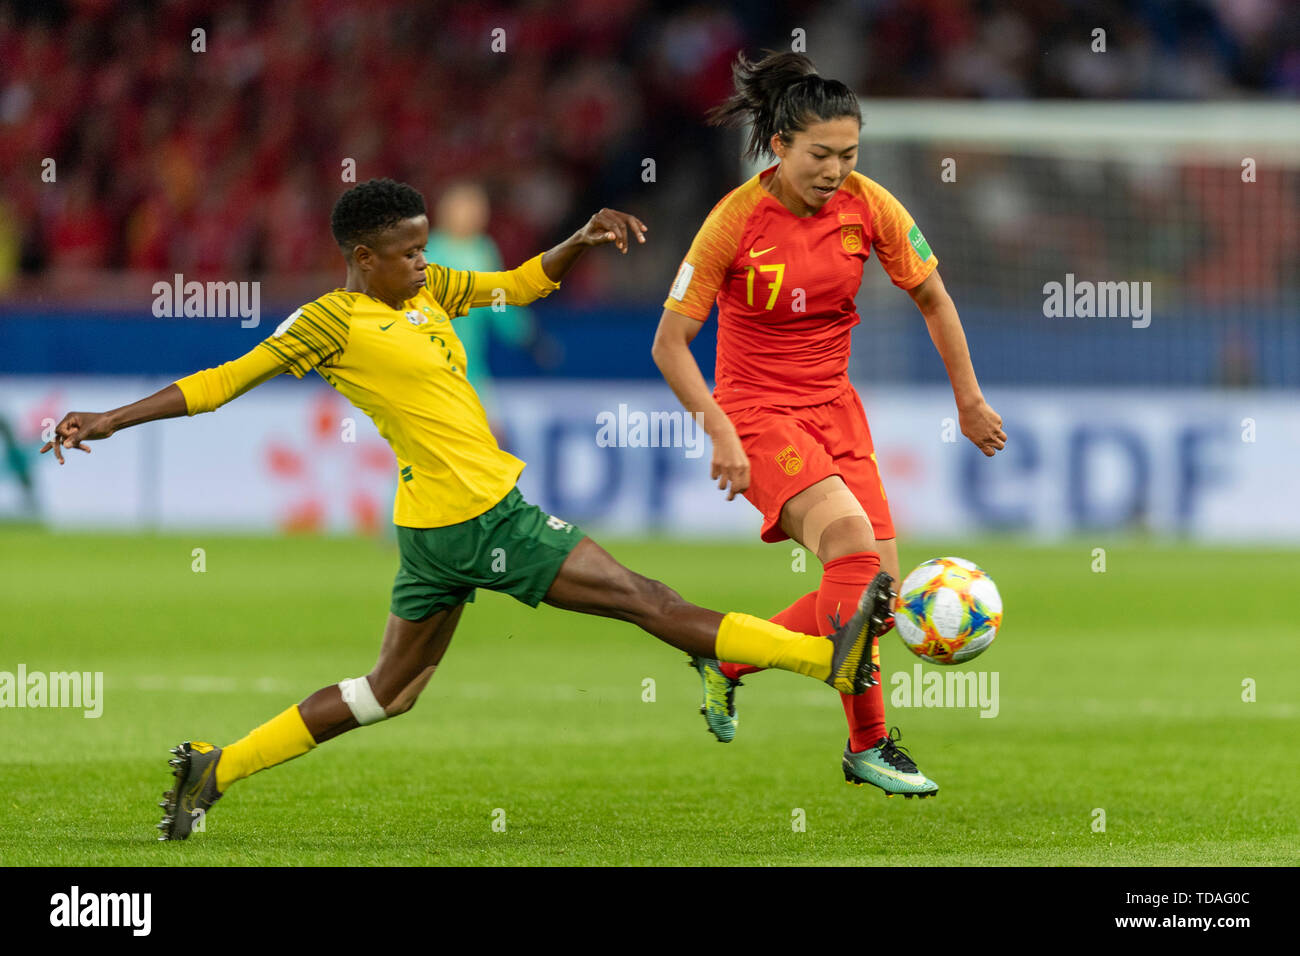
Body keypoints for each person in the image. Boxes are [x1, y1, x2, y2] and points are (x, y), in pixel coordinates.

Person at [40, 178, 890, 840]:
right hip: (478, 520)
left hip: (434, 527)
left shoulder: (430, 292)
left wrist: (581, 240)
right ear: (362, 255)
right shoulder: (327, 324)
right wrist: (109, 419)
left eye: (421, 250)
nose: (422, 262)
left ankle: (214, 769)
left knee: (388, 693)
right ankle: (826, 662)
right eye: (406, 253)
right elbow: (220, 383)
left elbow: (518, 286)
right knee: (647, 601)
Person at [652, 53, 1006, 797]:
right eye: (821, 155)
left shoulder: (871, 205)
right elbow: (669, 343)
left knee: (874, 591)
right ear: (779, 146)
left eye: (849, 154)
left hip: (836, 411)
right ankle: (865, 741)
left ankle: (736, 663)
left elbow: (934, 298)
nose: (836, 170)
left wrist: (967, 399)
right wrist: (717, 428)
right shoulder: (734, 221)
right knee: (853, 551)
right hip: (754, 411)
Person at [423, 181, 545, 437]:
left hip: (471, 370)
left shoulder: (482, 250)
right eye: (466, 206)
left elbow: (499, 306)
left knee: (483, 444)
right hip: (434, 370)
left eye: (478, 207)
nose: (475, 214)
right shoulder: (431, 252)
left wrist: (527, 337)